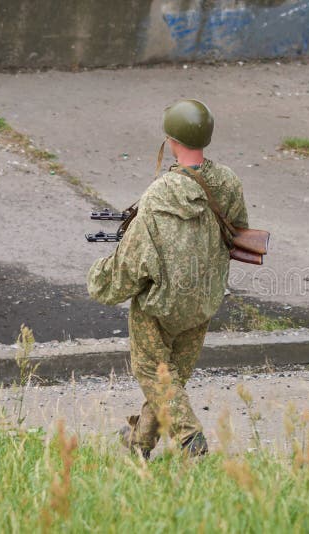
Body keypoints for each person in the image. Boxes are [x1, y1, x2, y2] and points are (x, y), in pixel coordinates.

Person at [87, 99, 248, 459]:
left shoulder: (158, 195)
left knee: (152, 371)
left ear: (171, 140)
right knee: (169, 378)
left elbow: (130, 265)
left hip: (161, 305)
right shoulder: (228, 182)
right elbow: (237, 231)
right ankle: (138, 444)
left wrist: (98, 279)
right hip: (204, 299)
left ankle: (191, 439)